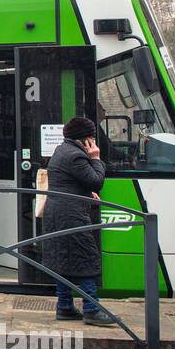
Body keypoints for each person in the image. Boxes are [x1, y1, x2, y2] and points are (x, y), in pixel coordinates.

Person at [42, 116, 115, 326]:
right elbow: (97, 180)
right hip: (70, 215)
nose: (93, 141)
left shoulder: (61, 150)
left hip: (57, 212)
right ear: (85, 139)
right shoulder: (76, 156)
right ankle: (92, 309)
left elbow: (68, 181)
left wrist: (85, 192)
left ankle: (64, 306)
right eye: (91, 137)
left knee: (63, 259)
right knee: (85, 257)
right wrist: (96, 158)